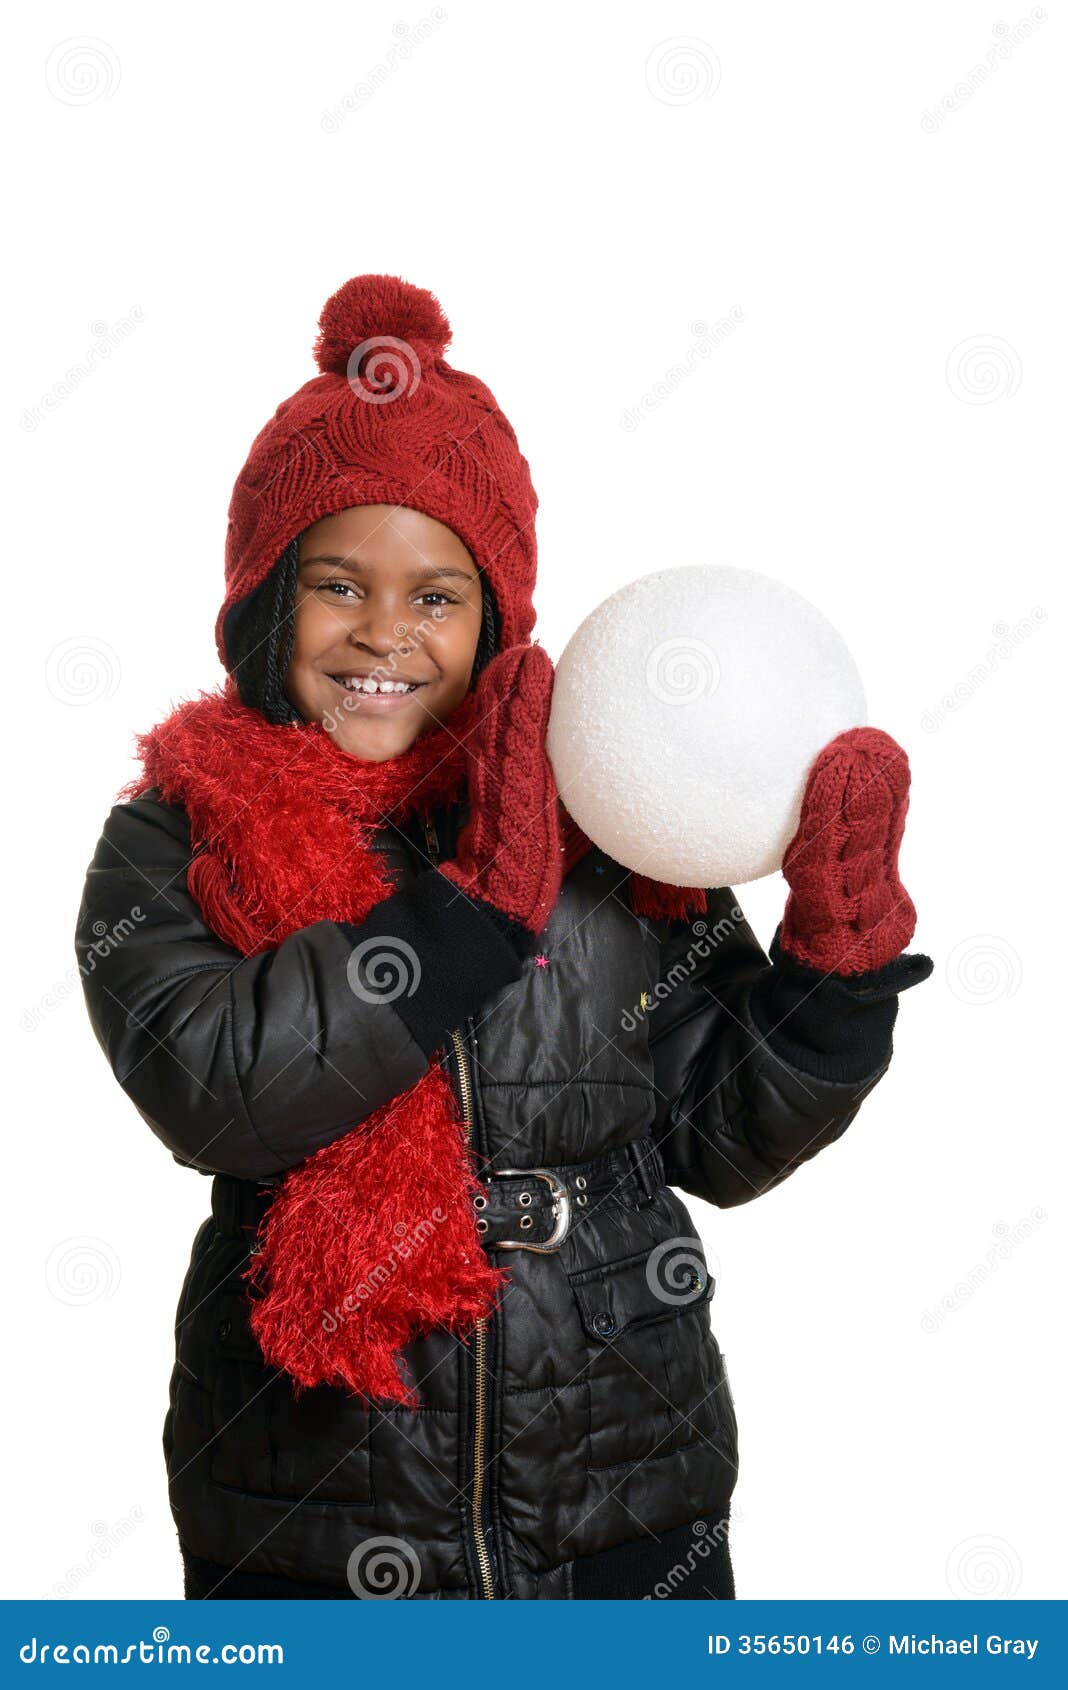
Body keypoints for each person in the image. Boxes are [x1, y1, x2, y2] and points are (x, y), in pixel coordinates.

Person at [74, 271, 932, 1601]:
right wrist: (464, 916)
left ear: (495, 622)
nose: (383, 632)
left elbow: (719, 1132)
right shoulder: (171, 838)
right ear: (265, 603)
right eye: (337, 584)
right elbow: (220, 1092)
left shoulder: (606, 810)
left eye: (436, 598)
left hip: (620, 1489)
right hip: (309, 1512)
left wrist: (836, 966)